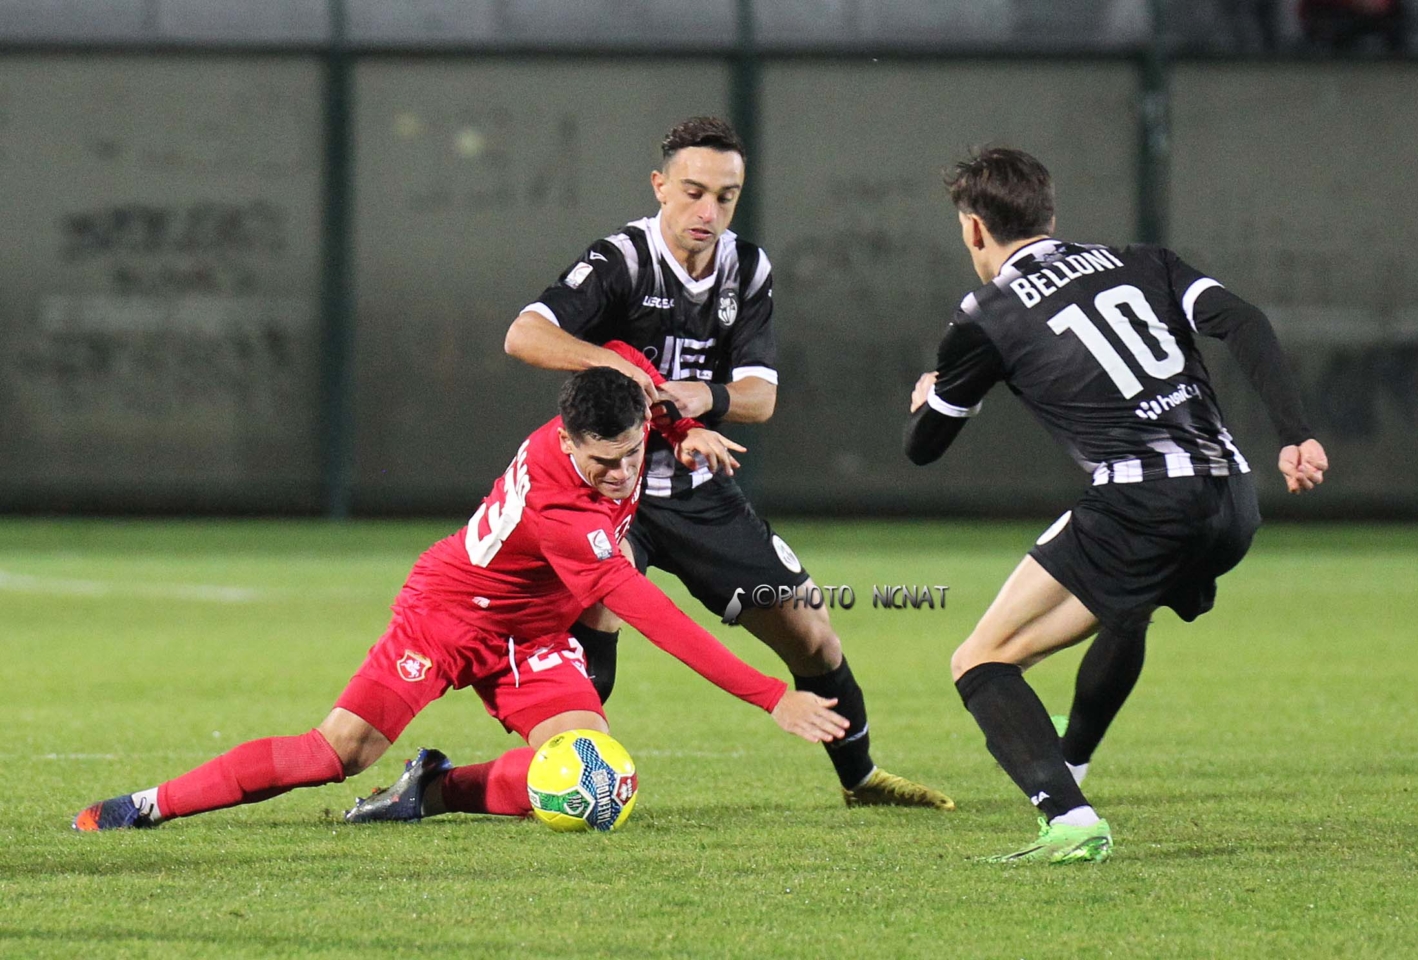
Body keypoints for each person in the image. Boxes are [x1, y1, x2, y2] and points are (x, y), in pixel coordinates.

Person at [73, 366, 847, 831]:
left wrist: (684, 432)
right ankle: (144, 807)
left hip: (533, 634)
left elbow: (656, 402)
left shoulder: (630, 416)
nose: (619, 475)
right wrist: (770, 696)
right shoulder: (563, 510)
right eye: (601, 463)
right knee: (334, 755)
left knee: (593, 779)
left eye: (631, 455)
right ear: (569, 441)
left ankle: (433, 792)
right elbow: (655, 616)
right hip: (446, 616)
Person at [495, 116, 952, 810]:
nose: (708, 211)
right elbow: (525, 334)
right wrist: (618, 367)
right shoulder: (622, 259)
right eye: (693, 191)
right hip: (613, 490)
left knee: (811, 632)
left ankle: (861, 779)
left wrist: (701, 397)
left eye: (726, 196)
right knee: (600, 611)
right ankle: (555, 779)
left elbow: (761, 397)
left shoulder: (749, 268)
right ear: (660, 186)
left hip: (701, 490)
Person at [904, 147, 1329, 863]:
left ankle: (1068, 818)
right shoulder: (1144, 262)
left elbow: (923, 447)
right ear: (1050, 214)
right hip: (1233, 499)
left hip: (1144, 499)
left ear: (975, 229)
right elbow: (1245, 321)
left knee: (980, 661)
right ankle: (1070, 759)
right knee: (1125, 608)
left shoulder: (987, 311)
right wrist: (1295, 433)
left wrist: (928, 399)